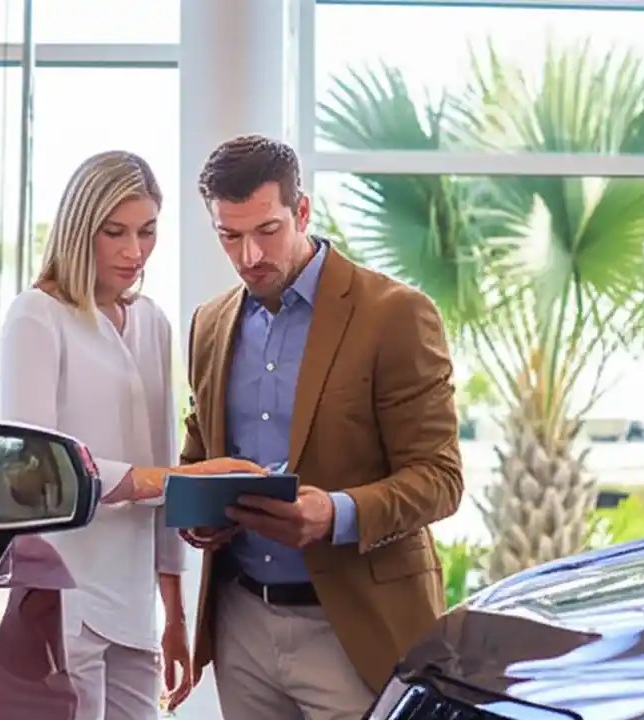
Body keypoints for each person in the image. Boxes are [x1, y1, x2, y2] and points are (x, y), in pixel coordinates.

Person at [178, 135, 465, 719]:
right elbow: (199, 453)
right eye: (229, 236)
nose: (249, 256)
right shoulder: (210, 323)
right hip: (242, 626)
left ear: (302, 211)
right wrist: (198, 514)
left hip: (354, 629)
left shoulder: (394, 315)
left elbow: (440, 478)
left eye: (267, 230)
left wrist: (335, 514)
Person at [0, 150, 263, 720]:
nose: (132, 251)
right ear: (78, 229)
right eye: (114, 232)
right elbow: (33, 478)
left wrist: (176, 616)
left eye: (146, 232)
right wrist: (175, 477)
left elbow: (161, 463)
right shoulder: (35, 318)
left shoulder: (152, 322)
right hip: (63, 597)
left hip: (135, 605)